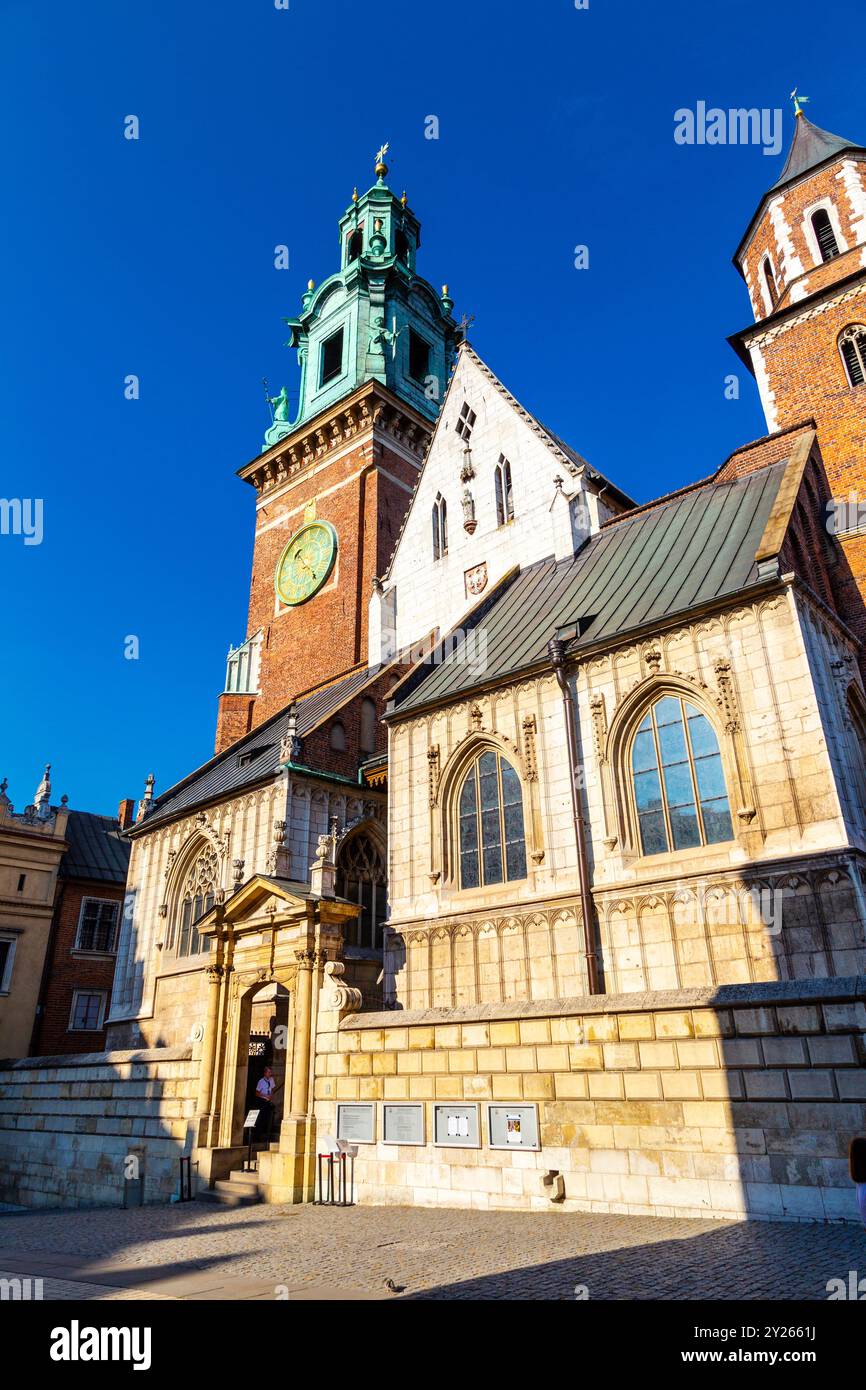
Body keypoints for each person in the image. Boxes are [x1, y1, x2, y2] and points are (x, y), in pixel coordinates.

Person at [254, 1066, 276, 1141]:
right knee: (261, 1119)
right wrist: (265, 1095)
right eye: (269, 1072)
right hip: (262, 1101)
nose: (270, 1074)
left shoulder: (271, 1080)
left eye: (271, 1072)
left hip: (268, 1101)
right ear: (265, 1073)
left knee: (268, 1118)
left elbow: (272, 1089)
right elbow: (257, 1093)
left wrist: (271, 1096)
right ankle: (258, 1136)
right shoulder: (261, 1081)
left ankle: (267, 1135)